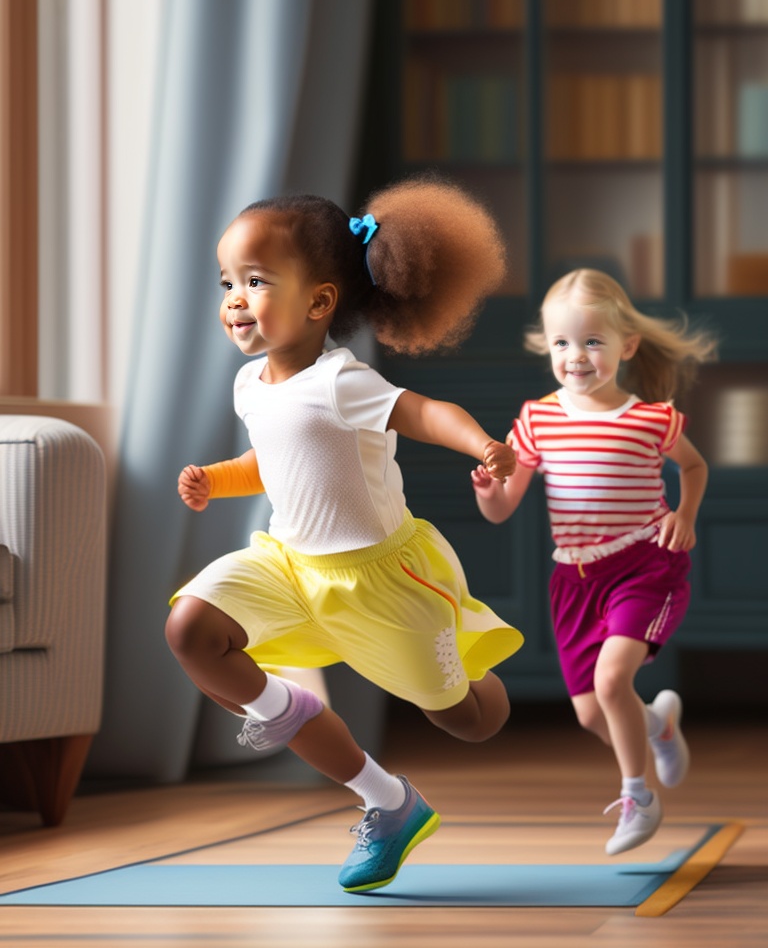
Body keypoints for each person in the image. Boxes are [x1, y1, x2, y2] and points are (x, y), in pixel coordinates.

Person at [165, 176, 524, 893]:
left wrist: (482, 443)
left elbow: (424, 413)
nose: (234, 298)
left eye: (256, 280)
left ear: (320, 301)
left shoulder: (341, 381)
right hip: (290, 564)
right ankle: (374, 791)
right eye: (227, 281)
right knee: (192, 631)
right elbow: (270, 463)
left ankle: (470, 662)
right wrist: (218, 477)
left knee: (468, 721)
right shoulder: (250, 384)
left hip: (381, 580)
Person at [472, 268, 717, 856]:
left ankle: (640, 798)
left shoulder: (651, 419)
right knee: (590, 714)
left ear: (625, 346)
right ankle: (658, 725)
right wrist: (488, 494)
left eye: (591, 342)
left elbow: (695, 466)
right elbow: (505, 508)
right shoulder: (537, 419)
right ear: (547, 346)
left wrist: (684, 514)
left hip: (644, 564)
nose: (575, 356)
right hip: (574, 578)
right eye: (561, 342)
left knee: (612, 681)